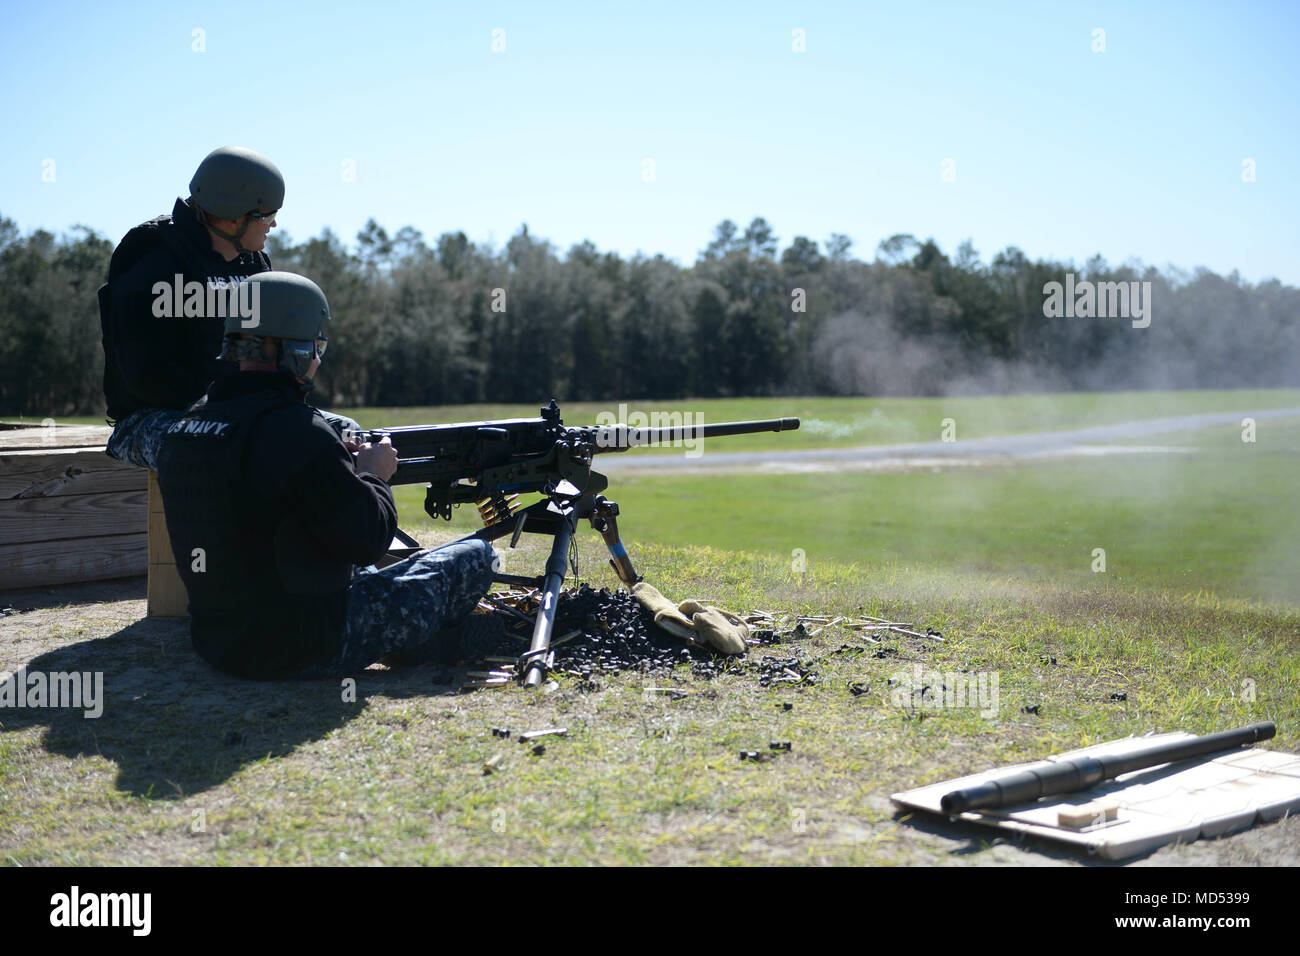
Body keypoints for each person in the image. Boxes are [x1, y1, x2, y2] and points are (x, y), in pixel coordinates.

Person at [155, 270, 497, 679]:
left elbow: (260, 518)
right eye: (315, 346)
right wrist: (373, 475)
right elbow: (368, 540)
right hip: (304, 646)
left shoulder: (185, 428)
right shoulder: (298, 430)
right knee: (479, 557)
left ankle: (423, 641)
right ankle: (434, 642)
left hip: (219, 645)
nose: (317, 359)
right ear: (287, 349)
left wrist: (337, 471)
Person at [99, 145, 357, 470]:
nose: (273, 226)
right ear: (234, 217)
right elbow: (148, 380)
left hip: (241, 409)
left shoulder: (254, 263)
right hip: (150, 419)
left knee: (348, 434)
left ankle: (356, 521)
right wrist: (237, 407)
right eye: (267, 216)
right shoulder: (154, 262)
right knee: (242, 443)